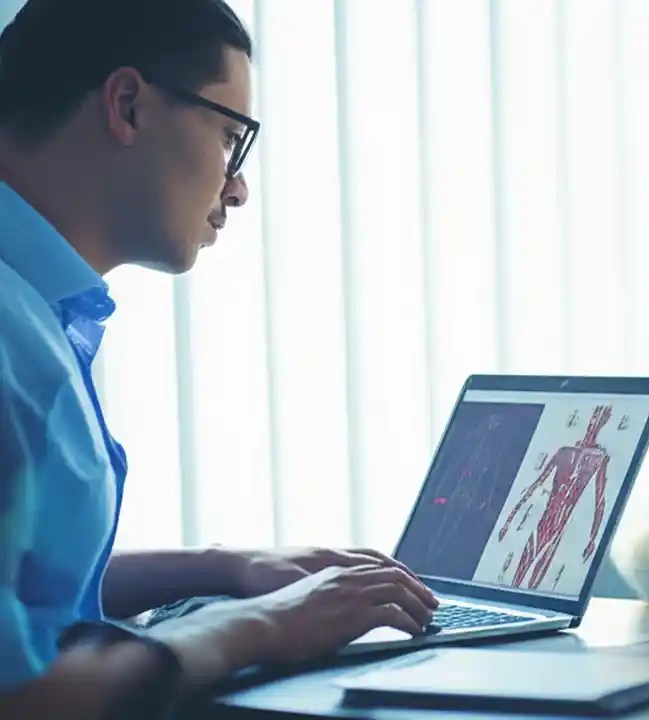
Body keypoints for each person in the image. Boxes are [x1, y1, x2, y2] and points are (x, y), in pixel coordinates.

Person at [0, 1, 438, 716]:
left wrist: (226, 570)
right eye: (230, 136)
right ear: (129, 105)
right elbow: (19, 696)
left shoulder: (35, 310)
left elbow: (30, 593)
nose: (235, 188)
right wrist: (265, 624)